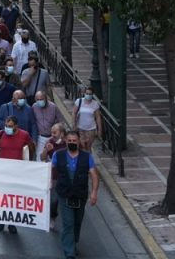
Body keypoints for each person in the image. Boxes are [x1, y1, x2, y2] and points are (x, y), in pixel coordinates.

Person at [53, 130, 100, 259]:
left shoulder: (87, 157)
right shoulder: (58, 155)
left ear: (78, 141)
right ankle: (69, 252)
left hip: (80, 194)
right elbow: (49, 169)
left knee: (77, 222)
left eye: (74, 141)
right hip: (64, 193)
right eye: (69, 141)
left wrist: (94, 192)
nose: (72, 143)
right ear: (65, 142)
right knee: (68, 222)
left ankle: (73, 242)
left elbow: (94, 175)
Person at [0, 116, 36, 234]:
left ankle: (12, 222)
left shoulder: (24, 135)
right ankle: (1, 221)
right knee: (2, 198)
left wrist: (29, 163)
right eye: (6, 126)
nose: (7, 128)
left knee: (14, 198)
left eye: (10, 126)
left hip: (17, 173)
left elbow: (31, 146)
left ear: (16, 126)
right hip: (2, 172)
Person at [32, 91, 63, 158]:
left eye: (41, 99)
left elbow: (61, 121)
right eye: (38, 99)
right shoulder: (34, 107)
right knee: (39, 158)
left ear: (45, 98)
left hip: (52, 137)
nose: (40, 101)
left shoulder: (53, 107)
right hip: (40, 137)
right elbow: (32, 122)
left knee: (52, 158)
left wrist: (58, 133)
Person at [73, 88, 103, 153]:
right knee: (82, 145)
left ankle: (89, 160)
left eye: (90, 94)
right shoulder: (79, 101)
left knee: (88, 146)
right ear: (84, 93)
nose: (88, 95)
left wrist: (99, 129)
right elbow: (74, 113)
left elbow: (98, 117)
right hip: (80, 128)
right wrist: (74, 124)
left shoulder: (95, 104)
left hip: (91, 129)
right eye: (87, 93)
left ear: (92, 95)